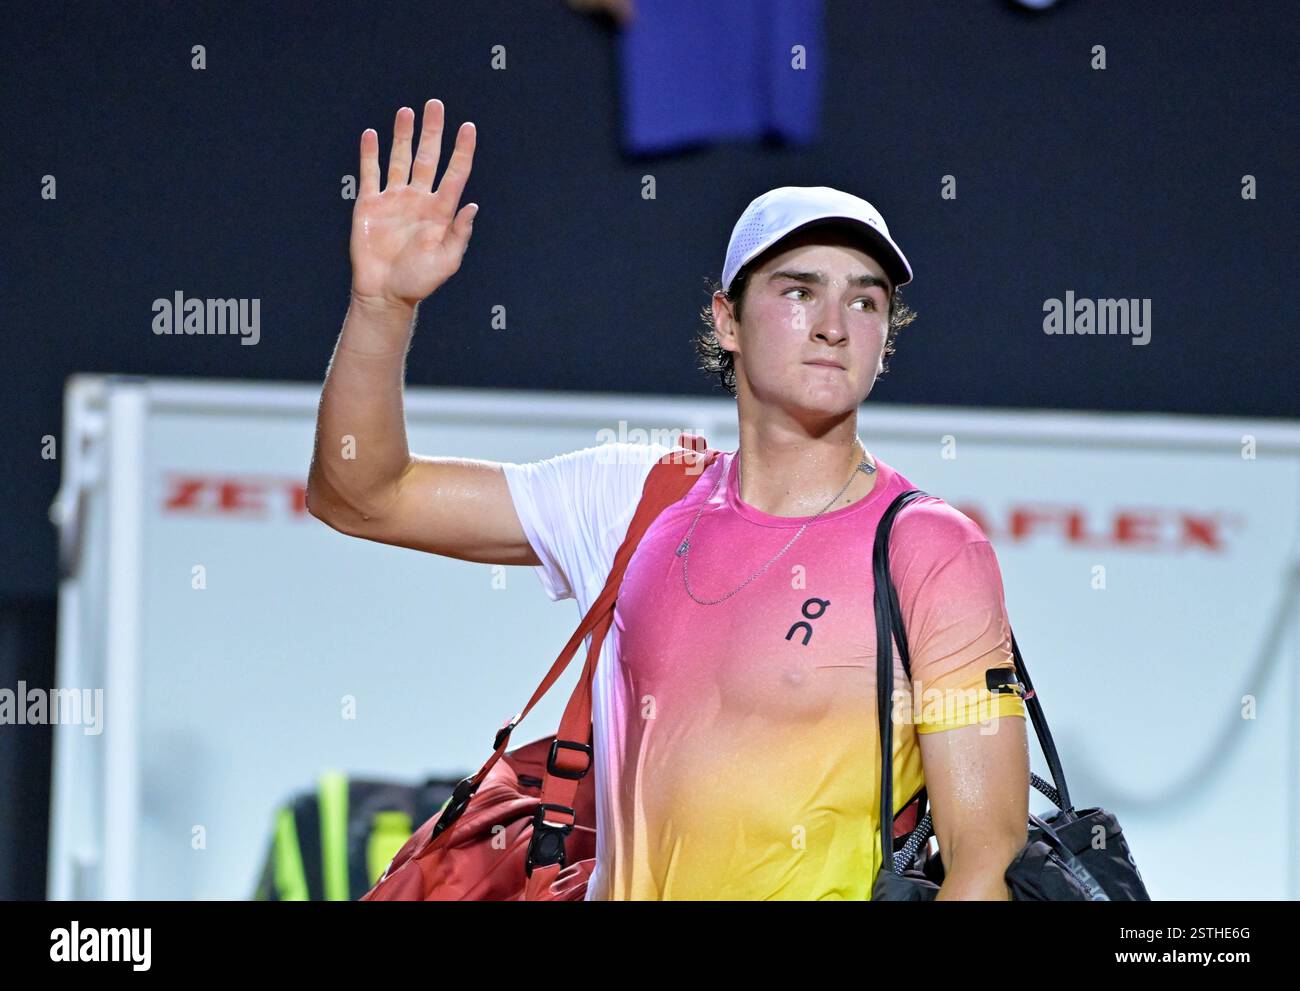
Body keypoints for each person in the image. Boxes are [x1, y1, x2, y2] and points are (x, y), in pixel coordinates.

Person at [307, 99, 1030, 901]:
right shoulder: (637, 499)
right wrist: (383, 308)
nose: (835, 324)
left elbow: (981, 863)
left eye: (865, 300)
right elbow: (362, 494)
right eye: (799, 291)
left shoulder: (930, 549)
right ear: (726, 319)